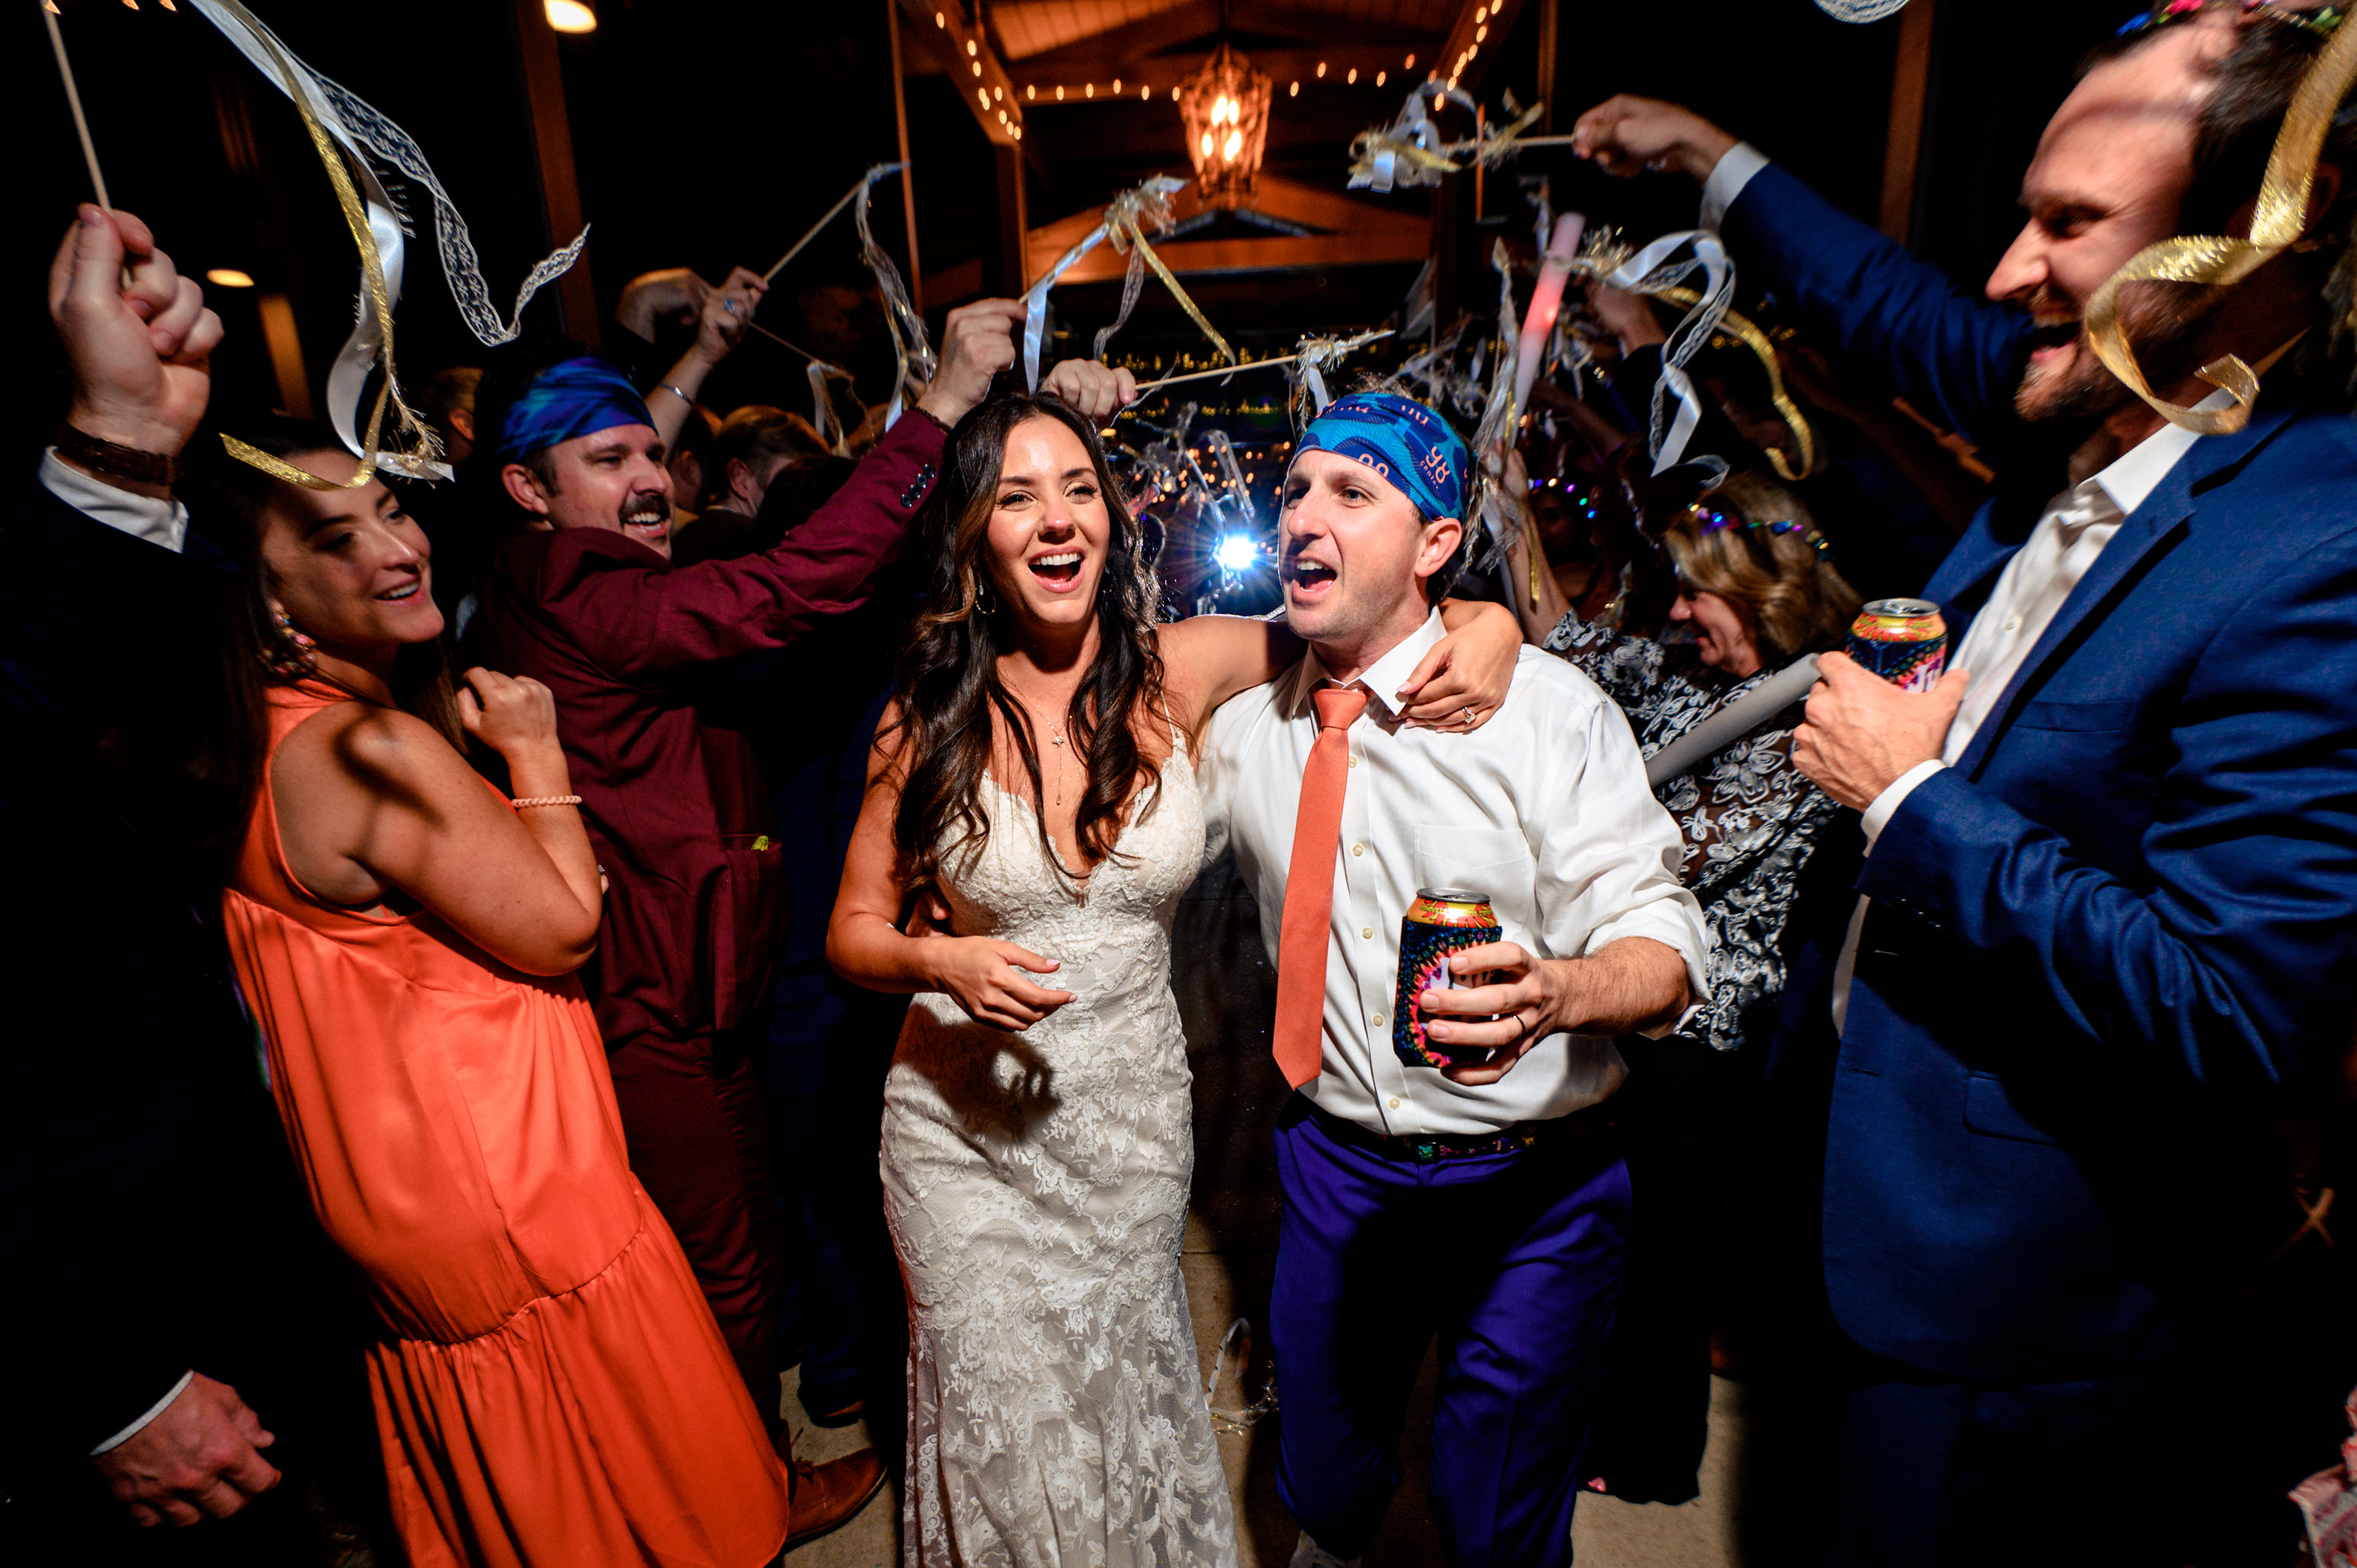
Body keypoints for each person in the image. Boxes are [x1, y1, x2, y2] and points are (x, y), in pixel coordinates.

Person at [1576, 2, 2357, 1556]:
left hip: (2013, 1312)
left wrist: (1913, 802)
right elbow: (1898, 309)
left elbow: (2228, 1007)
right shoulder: (2082, 445)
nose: (2009, 272)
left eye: (2074, 224)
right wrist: (1711, 158)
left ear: (2261, 244)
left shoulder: (2316, 547)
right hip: (1854, 1218)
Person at [826, 388, 1525, 1566]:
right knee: (1003, 1418)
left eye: (1078, 489)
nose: (1055, 520)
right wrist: (931, 955)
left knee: (1112, 1393)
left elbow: (1369, 619)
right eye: (1015, 497)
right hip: (958, 1131)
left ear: (1109, 515)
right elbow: (851, 928)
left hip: (1127, 1130)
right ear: (973, 539)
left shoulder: (1184, 666)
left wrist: (1484, 620)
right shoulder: (925, 716)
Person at [460, 291, 1039, 1544]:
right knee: (719, 1269)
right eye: (605, 462)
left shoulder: (576, 554)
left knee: (746, 1254)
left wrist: (700, 362)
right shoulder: (571, 579)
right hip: (648, 999)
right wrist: (936, 404)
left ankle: (732, 1467)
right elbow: (795, 583)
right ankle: (741, 1503)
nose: (647, 477)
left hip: (696, 985)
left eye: (650, 453)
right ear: (528, 491)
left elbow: (712, 508)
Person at [198, 413, 791, 1567]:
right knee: (663, 1517)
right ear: (264, 603)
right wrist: (533, 750)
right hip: (517, 1208)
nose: (394, 547)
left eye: (389, 508)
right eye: (337, 539)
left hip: (407, 1204)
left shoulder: (248, 744)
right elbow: (565, 924)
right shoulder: (365, 753)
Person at [1196, 391, 1711, 1567]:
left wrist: (1558, 994)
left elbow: (1668, 940)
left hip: (1536, 1185)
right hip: (1331, 1163)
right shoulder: (1250, 733)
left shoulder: (1544, 716)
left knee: (1493, 1514)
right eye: (1292, 493)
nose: (1300, 521)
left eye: (1351, 493)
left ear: (1435, 546)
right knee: (1323, 1481)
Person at [2, 205, 383, 1563]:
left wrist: (130, 445)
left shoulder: (165, 653)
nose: (385, 548)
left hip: (233, 1239)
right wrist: (111, 1380)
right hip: (102, 1323)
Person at [1509, 464, 1862, 1056]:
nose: (1676, 612)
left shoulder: (1811, 720)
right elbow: (1563, 641)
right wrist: (1513, 508)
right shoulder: (1698, 668)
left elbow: (1657, 852)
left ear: (1760, 587)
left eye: (1696, 594)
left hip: (1694, 1036)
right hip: (1619, 996)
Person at [672, 403, 829, 567]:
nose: (805, 493)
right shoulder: (760, 546)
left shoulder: (684, 538)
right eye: (792, 478)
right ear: (741, 477)